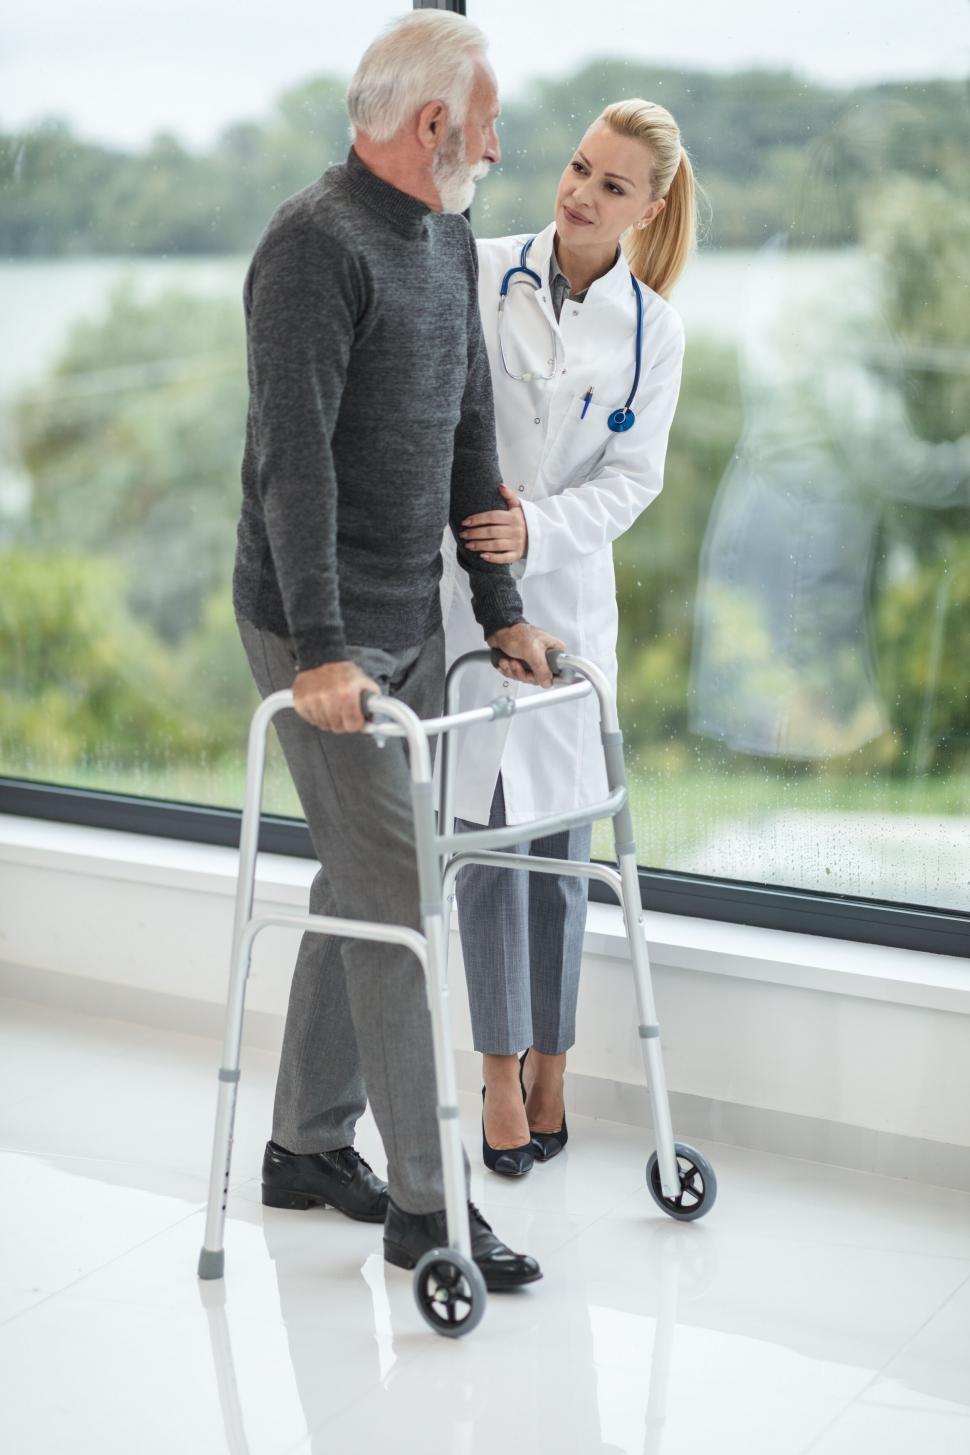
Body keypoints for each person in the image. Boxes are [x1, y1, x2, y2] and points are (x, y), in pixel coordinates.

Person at [233, 10, 562, 1288]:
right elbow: (292, 467)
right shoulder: (313, 247)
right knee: (396, 892)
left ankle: (307, 1146)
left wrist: (499, 608)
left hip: (407, 621)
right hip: (312, 625)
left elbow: (466, 430)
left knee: (366, 880)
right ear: (436, 124)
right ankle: (431, 1209)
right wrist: (319, 650)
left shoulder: (449, 233)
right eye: (490, 121)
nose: (499, 140)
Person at [441, 100, 693, 1174]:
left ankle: (554, 1059)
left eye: (611, 185)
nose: (580, 194)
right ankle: (498, 1075)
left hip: (573, 605)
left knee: (560, 848)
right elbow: (446, 424)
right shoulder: (477, 269)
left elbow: (633, 482)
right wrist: (497, 560)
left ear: (650, 206)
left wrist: (536, 528)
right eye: (579, 168)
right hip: (474, 599)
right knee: (492, 849)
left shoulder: (654, 331)